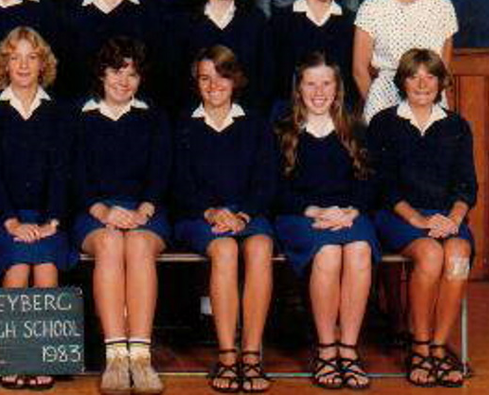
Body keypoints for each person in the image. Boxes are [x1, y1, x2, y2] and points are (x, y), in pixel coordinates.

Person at [368, 49, 476, 388]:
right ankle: (419, 348)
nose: (422, 83)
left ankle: (439, 347)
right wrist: (416, 219)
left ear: (442, 82)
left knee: (457, 256)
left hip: (445, 218)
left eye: (430, 76)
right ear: (402, 81)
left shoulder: (457, 125)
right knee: (430, 254)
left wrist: (454, 219)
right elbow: (381, 185)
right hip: (398, 216)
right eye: (414, 75)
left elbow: (466, 185)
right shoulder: (384, 123)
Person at [171, 46, 275, 393]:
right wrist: (212, 212)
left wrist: (242, 215)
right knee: (226, 250)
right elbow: (179, 185)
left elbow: (266, 181)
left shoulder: (255, 123)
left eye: (221, 76)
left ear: (235, 79)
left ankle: (251, 355)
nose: (214, 85)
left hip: (247, 213)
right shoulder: (184, 124)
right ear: (196, 82)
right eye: (205, 78)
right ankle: (227, 355)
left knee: (260, 247)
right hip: (199, 216)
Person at [0, 27, 76, 390]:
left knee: (47, 262)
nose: (22, 64)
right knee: (19, 261)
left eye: (31, 57)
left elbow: (62, 173)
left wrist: (53, 221)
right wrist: (12, 221)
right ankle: (12, 356)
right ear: (4, 63)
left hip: (47, 215)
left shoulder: (59, 112)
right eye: (14, 56)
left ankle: (41, 357)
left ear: (42, 64)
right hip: (3, 217)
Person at [71, 37, 170, 395]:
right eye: (116, 71)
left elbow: (160, 173)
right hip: (94, 212)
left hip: (145, 212)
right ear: (101, 74)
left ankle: (140, 357)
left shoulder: (153, 117)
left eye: (132, 73)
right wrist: (103, 211)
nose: (123, 81)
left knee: (139, 245)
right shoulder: (80, 117)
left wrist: (144, 208)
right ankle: (116, 356)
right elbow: (76, 176)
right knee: (112, 243)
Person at [272, 53, 378, 390]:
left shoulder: (354, 126)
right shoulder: (283, 128)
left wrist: (351, 212)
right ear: (299, 88)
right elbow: (273, 190)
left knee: (360, 248)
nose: (319, 92)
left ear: (338, 87)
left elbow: (370, 182)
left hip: (348, 214)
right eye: (311, 83)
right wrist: (315, 211)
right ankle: (326, 350)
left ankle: (348, 349)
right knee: (330, 251)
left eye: (326, 83)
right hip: (299, 216)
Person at [354, 0, 458, 122]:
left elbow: (442, 70)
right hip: (384, 102)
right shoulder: (372, 7)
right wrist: (382, 114)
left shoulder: (441, 5)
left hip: (430, 103)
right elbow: (359, 69)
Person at [172, 0, 274, 115]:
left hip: (245, 121)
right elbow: (174, 84)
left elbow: (265, 82)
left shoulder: (255, 21)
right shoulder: (183, 23)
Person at [270, 0, 356, 114]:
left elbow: (352, 85)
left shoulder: (351, 23)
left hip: (339, 120)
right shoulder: (280, 22)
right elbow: (272, 82)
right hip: (290, 120)